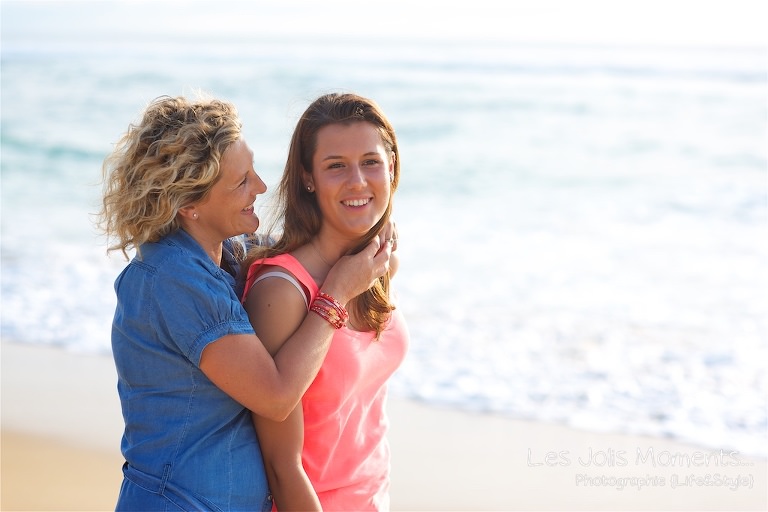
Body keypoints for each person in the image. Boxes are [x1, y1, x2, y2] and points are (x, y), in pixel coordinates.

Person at [97, 94, 394, 511]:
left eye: (253, 170)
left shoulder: (228, 249)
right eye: (241, 182)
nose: (261, 186)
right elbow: (275, 396)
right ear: (189, 204)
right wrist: (338, 294)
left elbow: (302, 253)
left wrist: (362, 228)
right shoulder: (173, 280)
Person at [241, 92, 409, 511]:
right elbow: (282, 467)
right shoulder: (281, 291)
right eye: (336, 166)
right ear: (308, 178)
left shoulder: (378, 265)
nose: (358, 181)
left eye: (370, 161)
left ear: (391, 166)